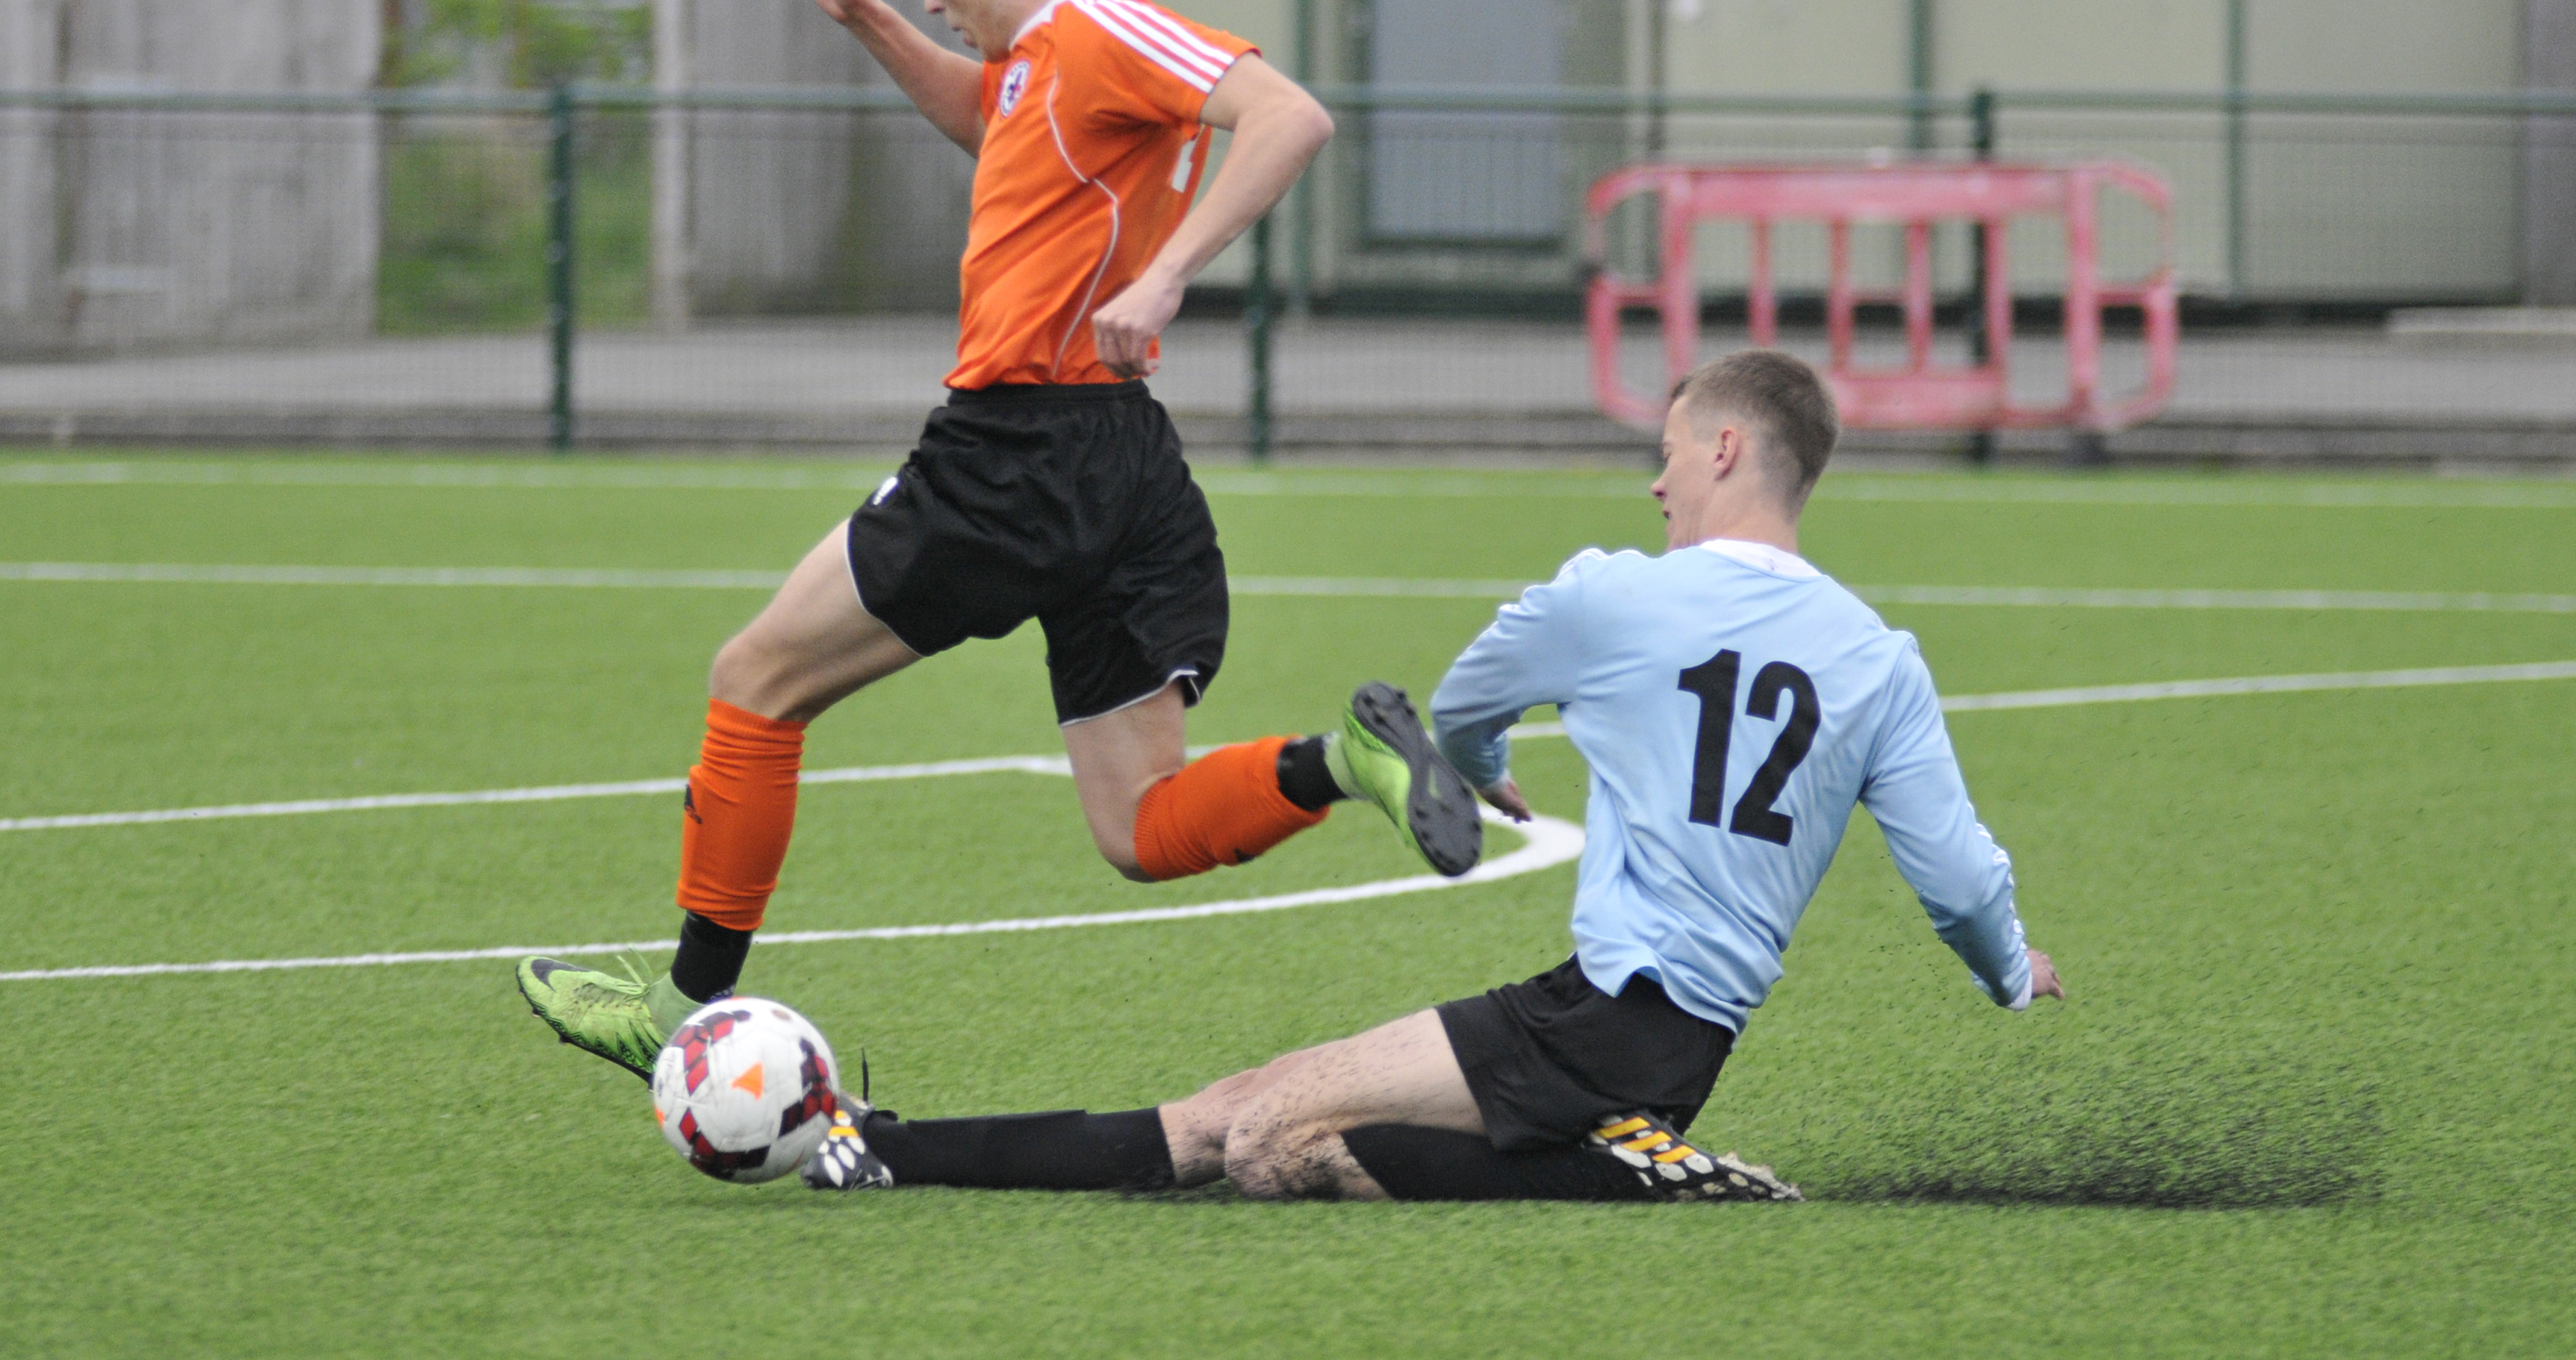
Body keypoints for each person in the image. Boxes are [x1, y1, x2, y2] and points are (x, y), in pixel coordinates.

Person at [518, 0, 1489, 1081]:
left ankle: (678, 1003)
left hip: (1019, 451)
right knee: (1140, 827)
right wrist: (863, 11)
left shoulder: (1101, 22)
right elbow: (994, 120)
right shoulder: (1046, 58)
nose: (929, 0)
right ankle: (1343, 756)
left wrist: (1167, 279)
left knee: (756, 679)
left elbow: (1287, 116)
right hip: (1118, 470)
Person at [796, 348, 2066, 1201]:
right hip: (1675, 1035)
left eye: (1671, 452)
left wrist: (1484, 766)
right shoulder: (1879, 657)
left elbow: (1462, 701)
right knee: (1250, 1120)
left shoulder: (1615, 594)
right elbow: (1953, 875)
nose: (1656, 479)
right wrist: (2010, 968)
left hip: (1603, 1017)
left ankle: (1626, 1168)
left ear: (1727, 448)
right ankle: (885, 1147)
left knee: (1256, 1135)